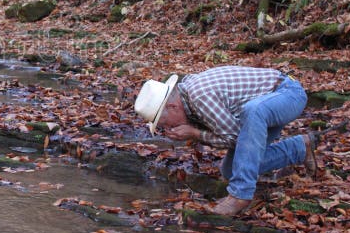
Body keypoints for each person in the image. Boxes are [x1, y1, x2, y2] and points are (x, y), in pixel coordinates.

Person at [134, 66, 317, 216]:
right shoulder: (187, 97)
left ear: (172, 106)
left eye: (164, 123)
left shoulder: (199, 96)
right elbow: (242, 142)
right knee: (231, 170)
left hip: (287, 93)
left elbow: (236, 137)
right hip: (265, 108)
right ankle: (300, 147)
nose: (167, 129)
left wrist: (195, 134)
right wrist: (196, 132)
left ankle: (240, 194)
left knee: (253, 110)